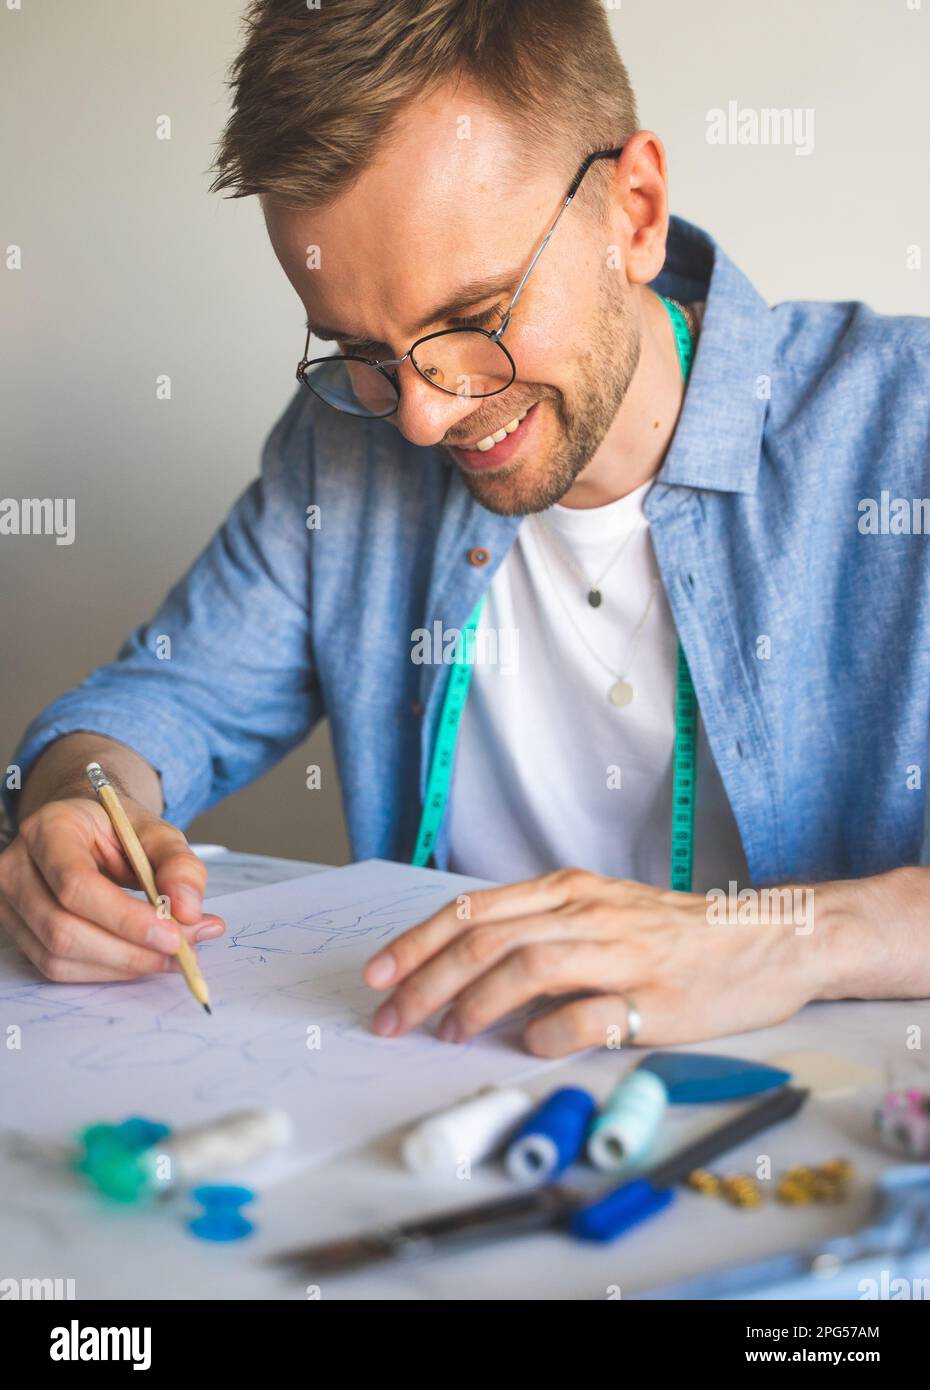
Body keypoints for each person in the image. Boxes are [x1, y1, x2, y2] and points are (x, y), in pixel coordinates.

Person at [3, 0, 930, 1057]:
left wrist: (776, 938)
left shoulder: (906, 431)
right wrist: (74, 807)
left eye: (475, 321)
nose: (423, 414)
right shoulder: (343, 445)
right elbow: (152, 708)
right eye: (362, 348)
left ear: (635, 210)